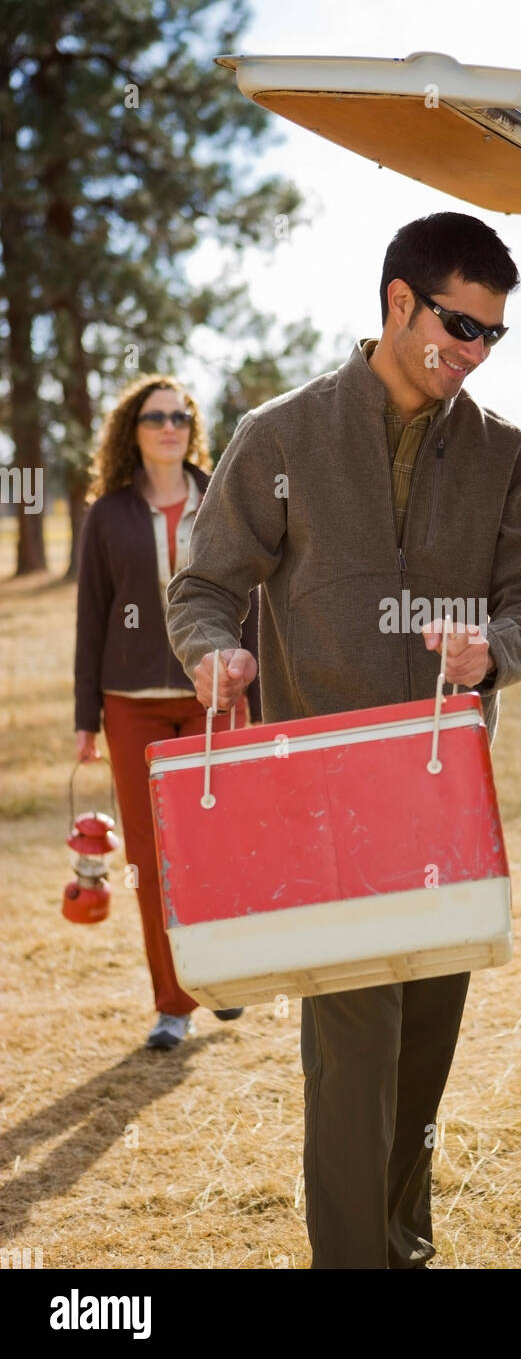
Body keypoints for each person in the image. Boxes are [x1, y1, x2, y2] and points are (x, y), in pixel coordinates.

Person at [165, 212, 521, 1266]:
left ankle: (404, 1244)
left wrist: (492, 649)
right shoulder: (280, 437)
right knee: (353, 1053)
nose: (471, 352)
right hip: (322, 799)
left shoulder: (505, 458)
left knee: (423, 1045)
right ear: (397, 301)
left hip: (443, 799)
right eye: (456, 325)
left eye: (490, 335)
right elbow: (205, 590)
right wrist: (216, 656)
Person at [74, 373, 261, 1051]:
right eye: (155, 416)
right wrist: (84, 717)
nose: (169, 425)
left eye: (180, 415)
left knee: (217, 847)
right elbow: (91, 615)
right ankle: (172, 1005)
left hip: (216, 700)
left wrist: (261, 702)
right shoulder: (107, 515)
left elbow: (254, 602)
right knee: (151, 861)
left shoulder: (222, 494)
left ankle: (227, 977)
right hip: (131, 706)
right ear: (134, 429)